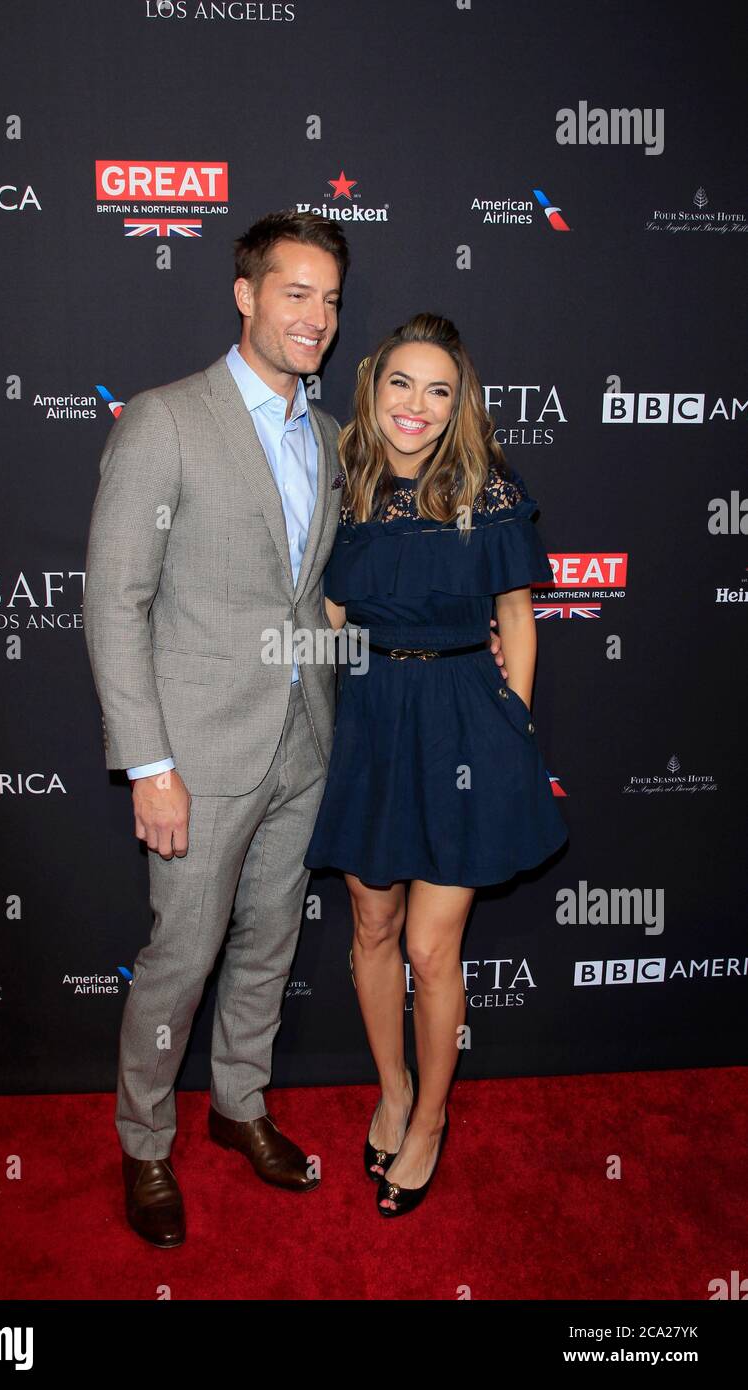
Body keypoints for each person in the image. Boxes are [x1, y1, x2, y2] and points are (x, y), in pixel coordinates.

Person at [82, 210, 354, 1247]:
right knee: (179, 958)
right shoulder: (164, 420)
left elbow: (305, 595)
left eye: (329, 300)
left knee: (267, 944)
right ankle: (144, 1141)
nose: (315, 318)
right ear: (243, 294)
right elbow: (115, 603)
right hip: (196, 751)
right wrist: (150, 764)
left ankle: (239, 1102)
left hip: (301, 740)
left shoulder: (326, 438)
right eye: (295, 293)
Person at [303, 312, 569, 1217]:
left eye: (438, 390)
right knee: (373, 931)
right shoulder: (340, 488)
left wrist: (511, 728)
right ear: (373, 390)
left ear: (460, 406)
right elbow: (328, 618)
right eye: (400, 385)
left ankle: (432, 1119)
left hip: (465, 721)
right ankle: (393, 1091)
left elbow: (520, 623)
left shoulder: (487, 491)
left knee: (429, 944)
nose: (415, 406)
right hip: (370, 721)